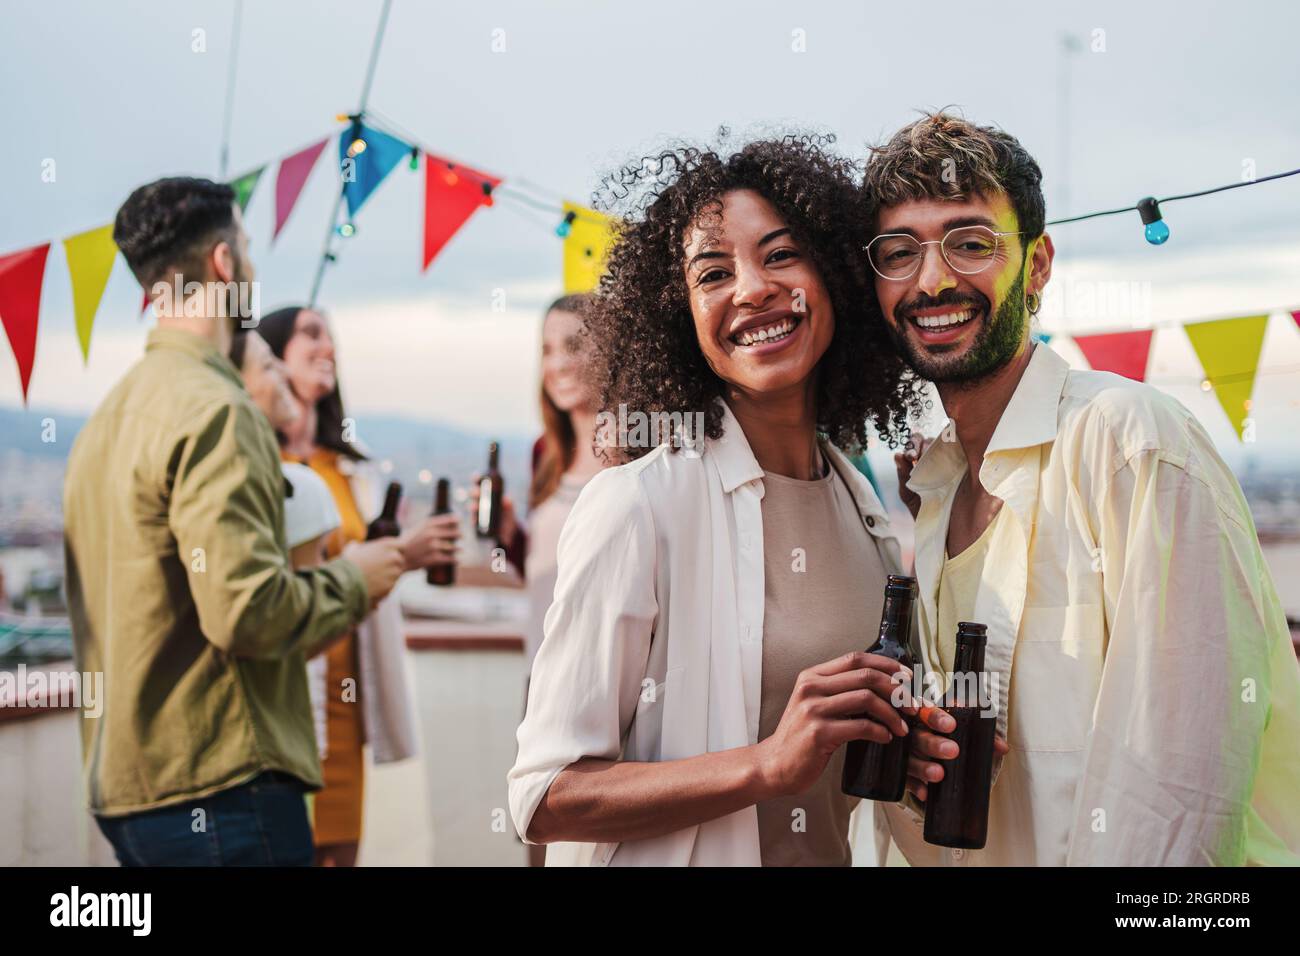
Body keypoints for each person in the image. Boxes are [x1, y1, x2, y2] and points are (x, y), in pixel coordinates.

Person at [507, 134, 959, 866]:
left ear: (837, 278)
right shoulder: (637, 507)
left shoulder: (863, 509)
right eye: (713, 272)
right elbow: (544, 795)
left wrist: (903, 757)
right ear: (680, 315)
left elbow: (824, 765)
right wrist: (763, 764)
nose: (751, 288)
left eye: (781, 255)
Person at [866, 111, 1300, 865]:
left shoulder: (1130, 443)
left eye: (970, 243)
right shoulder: (935, 489)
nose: (931, 279)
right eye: (899, 253)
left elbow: (1175, 802)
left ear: (1036, 267)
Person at [63, 177, 406, 866]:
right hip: (221, 789)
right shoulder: (219, 411)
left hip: (129, 791)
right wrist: (356, 576)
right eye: (246, 248)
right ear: (224, 263)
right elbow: (247, 613)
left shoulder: (107, 420)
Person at [254, 304, 458, 867]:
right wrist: (400, 551)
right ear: (270, 355)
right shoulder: (255, 464)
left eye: (332, 338)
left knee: (342, 855)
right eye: (311, 335)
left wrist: (408, 556)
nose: (328, 349)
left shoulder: (350, 466)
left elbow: (360, 565)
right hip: (287, 693)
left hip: (347, 697)